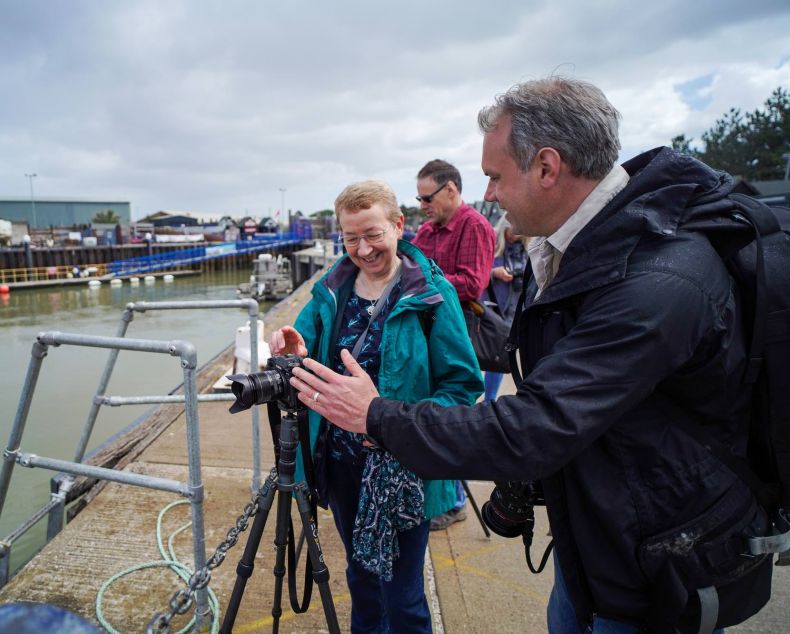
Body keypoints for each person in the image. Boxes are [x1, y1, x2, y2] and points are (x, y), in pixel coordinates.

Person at [286, 77, 772, 633]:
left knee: (403, 597)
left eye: (494, 176)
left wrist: (376, 416)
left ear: (546, 167)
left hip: (651, 570)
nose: (488, 193)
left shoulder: (655, 280)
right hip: (601, 544)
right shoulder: (584, 254)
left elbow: (533, 426)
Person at [269, 179, 481, 633]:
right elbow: (301, 350)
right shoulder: (331, 290)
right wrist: (290, 349)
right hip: (342, 464)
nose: (362, 249)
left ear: (399, 225)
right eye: (350, 238)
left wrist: (393, 419)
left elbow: (462, 385)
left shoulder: (432, 294)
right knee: (361, 580)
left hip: (406, 468)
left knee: (403, 596)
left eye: (373, 234)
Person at [412, 159, 496, 530]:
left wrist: (425, 279)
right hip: (426, 334)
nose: (422, 206)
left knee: (454, 418)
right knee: (430, 415)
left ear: (450, 190)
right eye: (419, 198)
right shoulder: (428, 231)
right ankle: (438, 495)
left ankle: (455, 501)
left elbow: (472, 283)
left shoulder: (474, 226)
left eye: (427, 197)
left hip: (457, 336)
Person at [480, 214, 528, 402]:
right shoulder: (490, 245)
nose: (514, 236)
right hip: (490, 308)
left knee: (498, 357)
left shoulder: (527, 250)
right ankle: (471, 395)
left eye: (518, 233)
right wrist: (494, 272)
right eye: (511, 232)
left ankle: (490, 399)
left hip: (513, 310)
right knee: (477, 352)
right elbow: (477, 275)